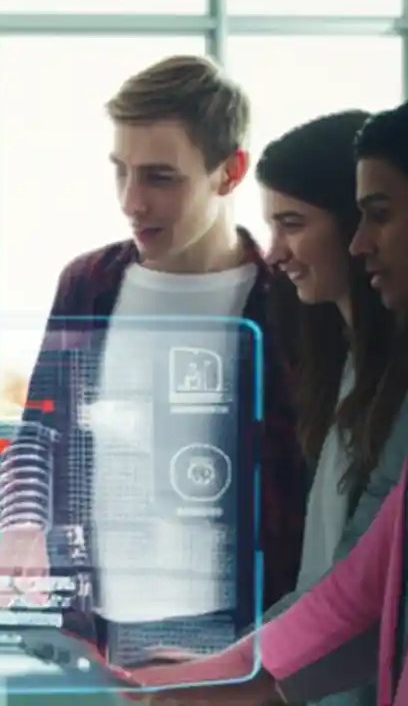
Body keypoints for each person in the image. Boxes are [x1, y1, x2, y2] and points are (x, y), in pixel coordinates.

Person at [0, 54, 308, 663]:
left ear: (229, 172)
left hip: (241, 628)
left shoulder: (286, 299)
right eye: (121, 172)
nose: (132, 202)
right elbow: (37, 431)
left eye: (160, 178)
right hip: (98, 621)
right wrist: (23, 526)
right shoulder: (88, 284)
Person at [125, 100, 408, 706]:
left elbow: (359, 592)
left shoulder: (389, 388)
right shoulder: (340, 368)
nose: (276, 252)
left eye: (294, 224)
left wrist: (236, 674)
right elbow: (343, 587)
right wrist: (233, 665)